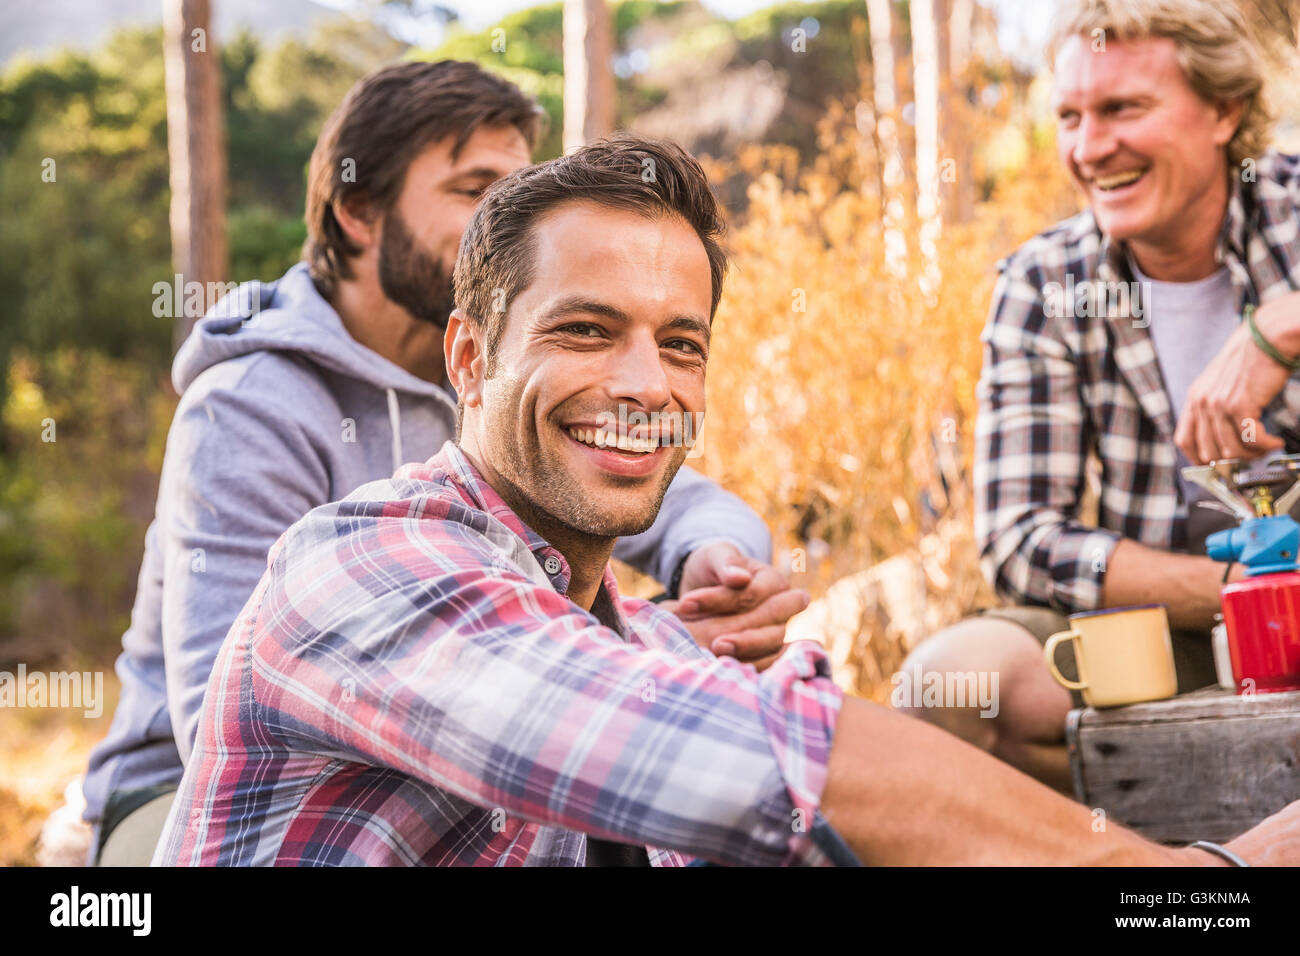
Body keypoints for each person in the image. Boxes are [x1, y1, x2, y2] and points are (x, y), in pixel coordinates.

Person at [154, 134, 1300, 866]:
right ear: (467, 358)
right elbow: (788, 762)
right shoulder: (362, 568)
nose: (646, 384)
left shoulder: (631, 632)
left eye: (681, 343)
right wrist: (1203, 881)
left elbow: (820, 807)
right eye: (584, 329)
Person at [84, 61, 805, 866]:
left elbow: (657, 483)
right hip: (185, 783)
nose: (504, 209)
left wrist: (716, 563)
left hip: (487, 709)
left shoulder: (497, 378)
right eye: (475, 190)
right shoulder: (248, 404)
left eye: (679, 345)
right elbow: (209, 702)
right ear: (358, 211)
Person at [896, 0, 1300, 793]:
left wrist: (1283, 326)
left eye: (1123, 109)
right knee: (943, 686)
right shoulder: (1044, 282)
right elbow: (1017, 536)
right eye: (1071, 116)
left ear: (1225, 111)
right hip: (1157, 639)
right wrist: (1236, 593)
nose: (1088, 148)